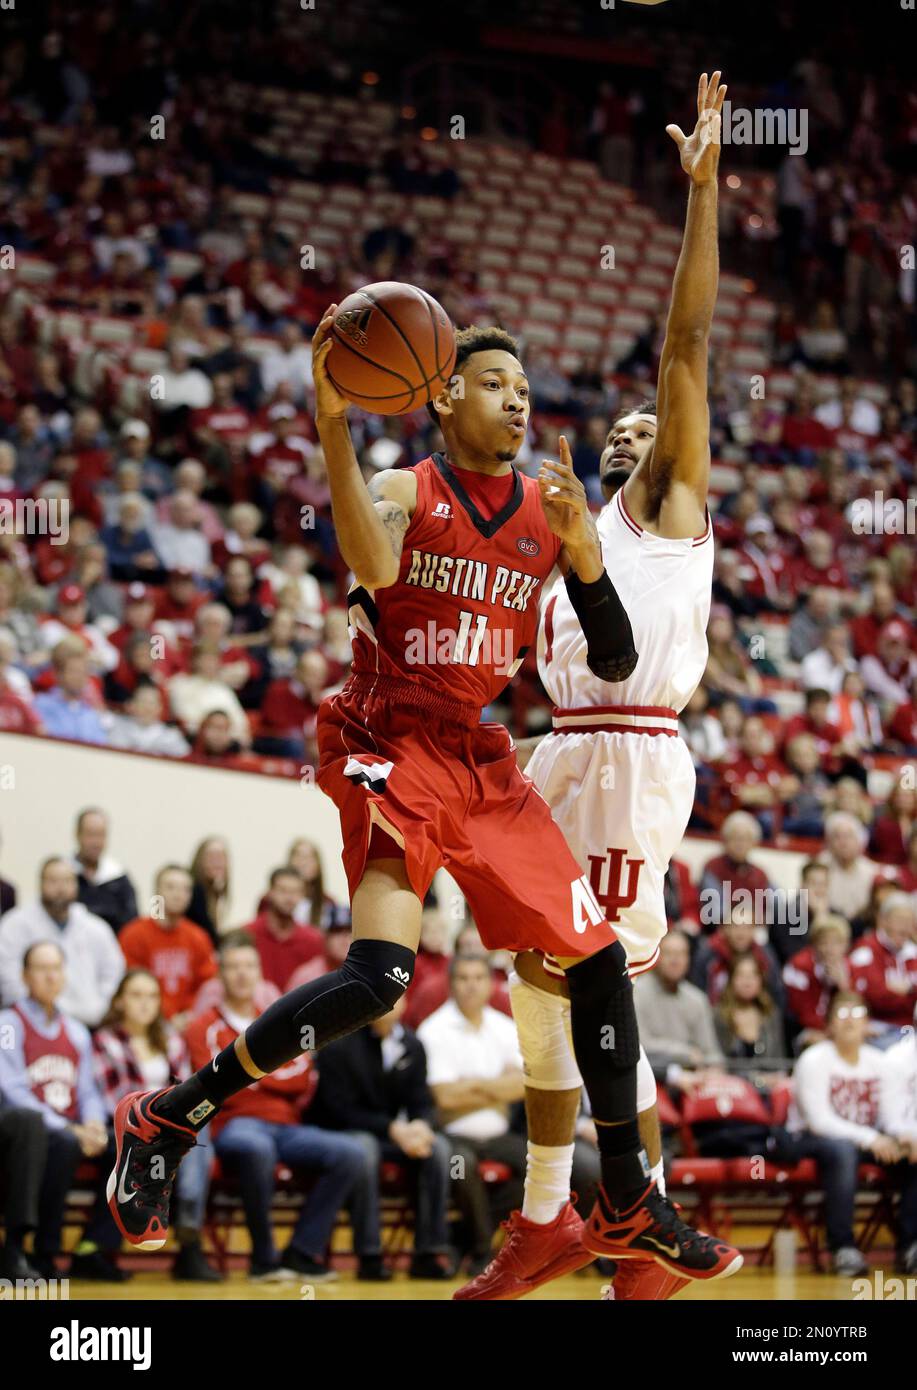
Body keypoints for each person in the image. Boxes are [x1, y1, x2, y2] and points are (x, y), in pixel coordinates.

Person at [106, 107, 739, 1284]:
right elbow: (376, 563)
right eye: (493, 385)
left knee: (591, 963)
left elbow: (606, 653)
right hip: (388, 737)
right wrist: (335, 432)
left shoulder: (568, 523)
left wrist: (585, 560)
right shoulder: (408, 484)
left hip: (493, 755)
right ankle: (176, 1109)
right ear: (441, 395)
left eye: (524, 390)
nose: (518, 403)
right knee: (385, 979)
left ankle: (621, 1203)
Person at [458, 72, 744, 1304]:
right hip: (557, 746)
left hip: (630, 751)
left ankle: (623, 1219)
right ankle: (568, 1221)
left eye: (648, 426)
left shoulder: (671, 508)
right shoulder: (571, 521)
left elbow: (683, 343)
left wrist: (700, 195)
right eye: (614, 428)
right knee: (536, 967)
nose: (629, 434)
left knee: (601, 983)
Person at [184, 935, 365, 1281]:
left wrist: (249, 1076)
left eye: (249, 966)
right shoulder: (201, 1027)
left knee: (350, 1154)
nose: (241, 974)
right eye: (233, 967)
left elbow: (303, 1074)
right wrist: (268, 1072)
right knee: (257, 1148)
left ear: (259, 974)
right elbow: (217, 1086)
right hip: (235, 1126)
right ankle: (263, 1259)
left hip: (287, 1126)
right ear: (220, 975)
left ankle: (300, 1251)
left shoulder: (276, 1023)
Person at [311, 996, 454, 1281]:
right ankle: (370, 1255)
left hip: (393, 1134)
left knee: (439, 1149)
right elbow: (339, 1110)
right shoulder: (338, 1043)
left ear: (405, 1004)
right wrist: (393, 1128)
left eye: (397, 998)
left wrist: (422, 1126)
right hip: (344, 1132)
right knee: (363, 1151)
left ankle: (428, 1252)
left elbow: (422, 1101)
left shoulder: (413, 1045)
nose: (389, 1004)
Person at [93, 969, 221, 1282]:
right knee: (162, 1149)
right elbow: (117, 1103)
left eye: (151, 996)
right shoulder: (106, 1040)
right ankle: (188, 1246)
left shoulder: (172, 1042)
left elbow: (185, 1093)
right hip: (125, 1130)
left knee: (196, 1133)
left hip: (167, 1132)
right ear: (120, 1001)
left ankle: (187, 1236)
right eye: (136, 995)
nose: (144, 1004)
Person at [0, 942, 108, 1279]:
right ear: (24, 976)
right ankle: (19, 1247)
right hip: (15, 1129)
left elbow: (89, 1088)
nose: (49, 976)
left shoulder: (76, 1031)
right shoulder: (7, 1024)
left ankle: (82, 1250)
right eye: (41, 969)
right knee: (43, 1130)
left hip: (65, 1132)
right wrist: (66, 1127)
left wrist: (92, 1124)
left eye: (56, 968)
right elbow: (10, 1088)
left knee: (120, 1146)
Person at [418, 953, 527, 1271]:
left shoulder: (505, 1026)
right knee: (460, 1167)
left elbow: (523, 1085)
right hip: (452, 1134)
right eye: (463, 978)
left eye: (478, 978)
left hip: (499, 1134)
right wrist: (496, 1087)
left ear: (490, 984)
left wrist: (470, 1086)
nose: (471, 986)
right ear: (451, 984)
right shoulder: (433, 1030)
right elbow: (444, 1097)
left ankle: (463, 1238)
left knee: (541, 1166)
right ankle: (482, 1251)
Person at [789, 992, 909, 1275]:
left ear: (868, 1023)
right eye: (842, 1015)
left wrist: (904, 1136)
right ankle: (842, 1247)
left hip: (862, 1140)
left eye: (856, 1014)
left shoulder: (881, 1063)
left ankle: (910, 1246)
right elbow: (819, 1121)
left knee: (910, 1154)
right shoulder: (813, 1059)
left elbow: (891, 1117)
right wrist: (871, 1139)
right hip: (808, 1139)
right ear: (829, 1024)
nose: (849, 1022)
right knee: (842, 1151)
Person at [0, 858, 124, 1027]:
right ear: (40, 884)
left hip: (90, 1023)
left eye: (67, 881)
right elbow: (8, 976)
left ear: (76, 885)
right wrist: (37, 1011)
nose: (60, 888)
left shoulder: (96, 928)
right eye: (53, 881)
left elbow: (113, 972)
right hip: (31, 1023)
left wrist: (100, 1007)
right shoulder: (14, 925)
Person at [119, 866, 218, 1026]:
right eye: (171, 887)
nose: (178, 895)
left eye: (185, 889)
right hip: (146, 1021)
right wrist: (169, 1017)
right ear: (157, 892)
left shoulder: (199, 937)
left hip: (190, 1021)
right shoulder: (134, 935)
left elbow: (207, 985)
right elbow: (131, 984)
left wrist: (190, 1014)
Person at [243, 867, 324, 991]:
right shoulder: (248, 934)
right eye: (283, 890)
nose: (289, 898)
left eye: (295, 891)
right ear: (270, 892)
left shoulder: (313, 940)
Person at [848, 892, 917, 1034]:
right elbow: (872, 997)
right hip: (877, 1027)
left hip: (911, 1026)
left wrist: (909, 989)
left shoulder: (914, 951)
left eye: (910, 921)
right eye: (899, 920)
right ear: (883, 920)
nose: (905, 927)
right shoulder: (865, 951)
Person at [783, 915, 852, 1048]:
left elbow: (856, 1004)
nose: (830, 949)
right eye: (824, 942)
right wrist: (830, 1032)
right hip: (804, 1030)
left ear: (846, 945)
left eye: (836, 943)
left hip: (837, 1029)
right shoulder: (799, 966)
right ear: (814, 945)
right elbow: (801, 1012)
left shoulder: (850, 966)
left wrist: (844, 986)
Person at [71, 807, 138, 934]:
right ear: (77, 834)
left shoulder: (118, 876)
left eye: (101, 835)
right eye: (90, 834)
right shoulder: (66, 874)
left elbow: (131, 923)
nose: (95, 842)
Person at [713, 953, 786, 1063]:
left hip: (769, 1078)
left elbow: (779, 1059)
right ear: (731, 980)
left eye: (753, 976)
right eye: (741, 975)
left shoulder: (771, 1014)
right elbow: (717, 1060)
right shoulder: (719, 1016)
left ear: (761, 980)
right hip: (730, 1079)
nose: (747, 982)